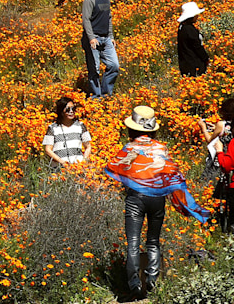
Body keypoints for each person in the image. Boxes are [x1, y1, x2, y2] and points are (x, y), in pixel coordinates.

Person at [105, 106, 209, 301]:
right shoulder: (161, 148)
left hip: (136, 198)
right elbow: (172, 173)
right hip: (157, 199)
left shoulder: (129, 147)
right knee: (153, 240)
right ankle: (152, 279)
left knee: (133, 243)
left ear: (132, 128)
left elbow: (113, 167)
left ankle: (134, 284)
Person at [81, 0, 119, 97]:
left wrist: (111, 36)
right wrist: (91, 38)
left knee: (114, 65)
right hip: (94, 39)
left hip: (106, 38)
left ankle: (106, 94)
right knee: (94, 69)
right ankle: (96, 96)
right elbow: (86, 19)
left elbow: (108, 18)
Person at [201, 99, 234, 233]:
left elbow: (210, 140)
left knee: (220, 194)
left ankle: (221, 222)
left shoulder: (222, 124)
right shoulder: (228, 126)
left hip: (222, 162)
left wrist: (203, 127)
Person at [43, 96, 92, 166]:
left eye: (73, 109)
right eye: (68, 109)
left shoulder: (81, 126)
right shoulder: (52, 128)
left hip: (77, 167)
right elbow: (48, 149)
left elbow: (88, 146)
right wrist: (63, 162)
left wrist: (83, 161)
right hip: (59, 168)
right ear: (61, 111)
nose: (71, 111)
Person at [177, 2, 209, 77]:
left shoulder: (182, 27)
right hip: (194, 66)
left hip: (185, 64)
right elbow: (197, 47)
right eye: (196, 15)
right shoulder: (189, 30)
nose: (197, 16)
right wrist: (206, 59)